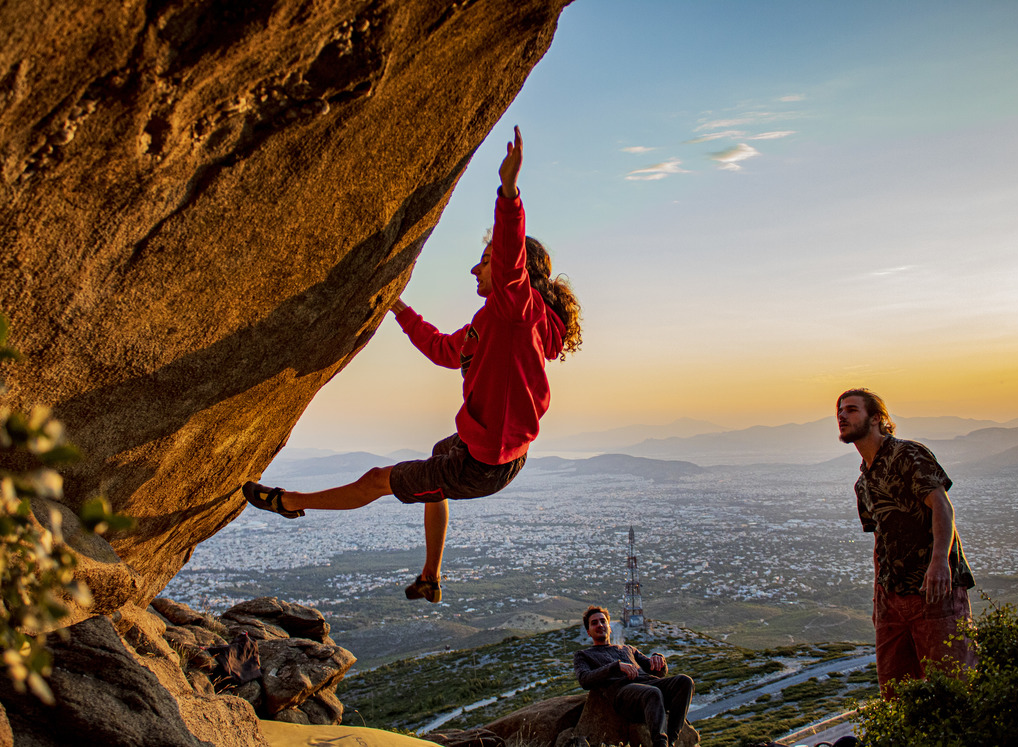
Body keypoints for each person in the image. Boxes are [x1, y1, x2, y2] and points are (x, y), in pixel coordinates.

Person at [242, 126, 582, 604]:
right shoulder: (496, 319)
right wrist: (400, 312)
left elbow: (510, 269)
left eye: (483, 260)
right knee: (436, 458)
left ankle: (289, 502)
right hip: (493, 451)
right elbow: (447, 350)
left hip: (483, 463)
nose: (474, 269)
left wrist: (508, 193)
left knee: (380, 480)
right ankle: (431, 576)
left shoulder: (517, 312)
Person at [836, 388, 977, 699]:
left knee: (953, 689)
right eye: (840, 412)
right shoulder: (864, 481)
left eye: (851, 410)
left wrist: (939, 562)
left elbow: (941, 505)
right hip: (892, 598)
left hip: (934, 592)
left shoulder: (907, 455)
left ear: (877, 419)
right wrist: (879, 598)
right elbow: (880, 541)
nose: (842, 416)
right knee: (896, 694)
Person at [573, 606, 694, 747]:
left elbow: (658, 672)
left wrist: (658, 659)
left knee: (685, 681)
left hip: (649, 684)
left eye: (603, 621)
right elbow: (584, 679)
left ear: (609, 627)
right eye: (594, 623)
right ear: (588, 632)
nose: (600, 625)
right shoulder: (583, 655)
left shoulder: (627, 649)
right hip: (623, 693)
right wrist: (615, 667)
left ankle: (671, 740)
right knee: (652, 693)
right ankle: (660, 743)